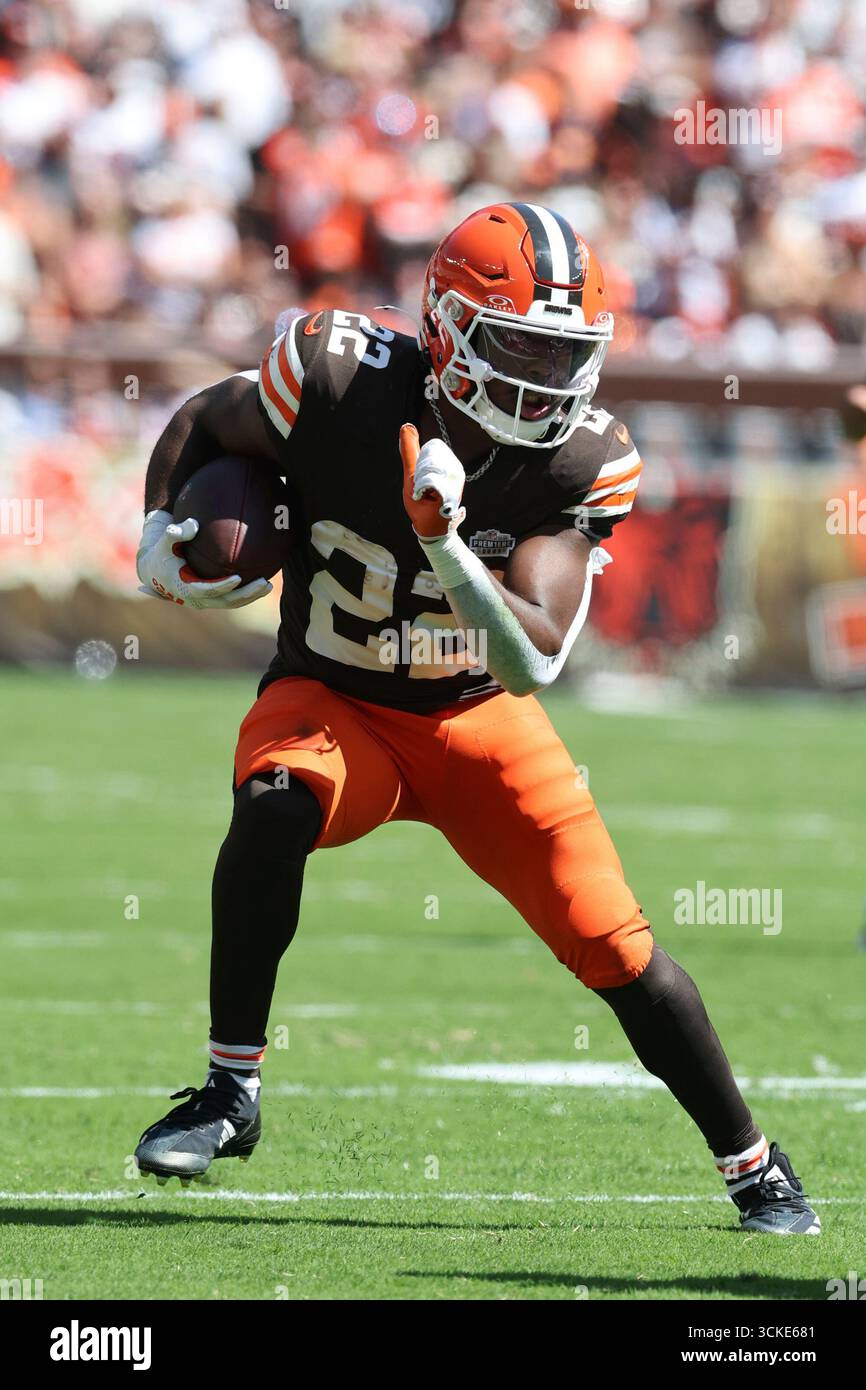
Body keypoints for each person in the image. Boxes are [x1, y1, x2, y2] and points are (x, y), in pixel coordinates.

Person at [134, 203, 819, 1234]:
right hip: (334, 700)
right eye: (519, 344)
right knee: (272, 806)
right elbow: (204, 416)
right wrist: (158, 527)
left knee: (615, 946)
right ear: (445, 327)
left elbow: (532, 656)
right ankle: (231, 1091)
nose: (542, 374)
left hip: (477, 717)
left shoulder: (578, 461)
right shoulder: (333, 374)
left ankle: (753, 1163)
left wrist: (447, 543)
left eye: (562, 351)